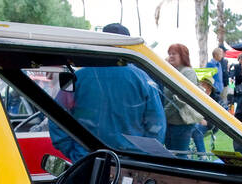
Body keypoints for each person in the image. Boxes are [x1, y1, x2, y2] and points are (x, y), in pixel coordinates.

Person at [53, 23, 165, 161]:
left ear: (101, 43)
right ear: (127, 45)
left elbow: (56, 117)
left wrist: (75, 152)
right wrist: (143, 156)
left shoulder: (77, 77)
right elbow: (157, 124)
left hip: (88, 160)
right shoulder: (143, 79)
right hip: (131, 164)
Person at [162, 43, 206, 154]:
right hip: (170, 122)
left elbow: (182, 98)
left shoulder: (187, 72)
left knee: (180, 156)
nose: (171, 56)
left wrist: (164, 114)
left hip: (181, 124)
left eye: (174, 53)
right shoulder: (171, 72)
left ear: (183, 56)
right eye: (169, 54)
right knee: (171, 155)